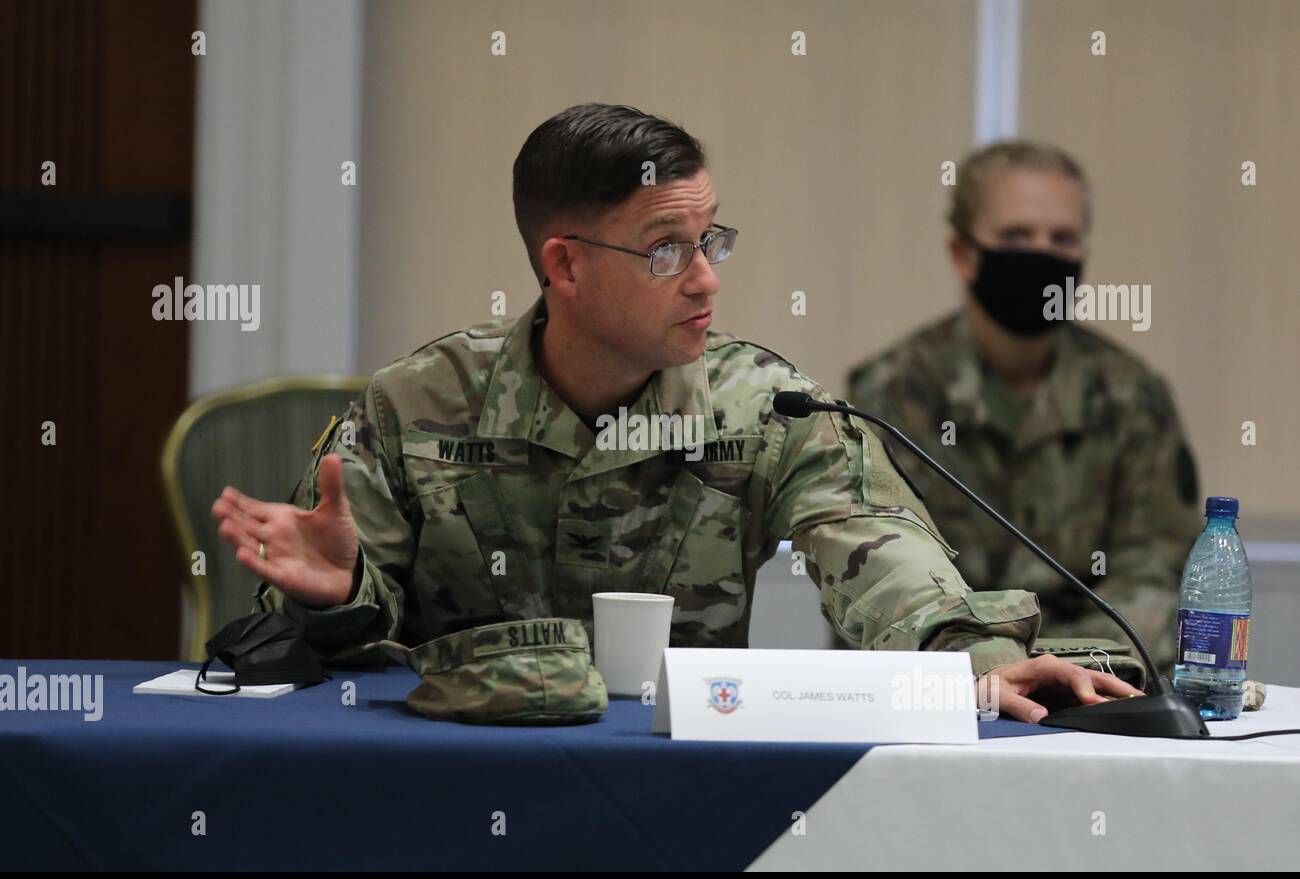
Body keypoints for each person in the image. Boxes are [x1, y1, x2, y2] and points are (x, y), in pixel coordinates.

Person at [212, 105, 1141, 723]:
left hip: (679, 787)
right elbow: (315, 640)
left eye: (711, 240)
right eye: (665, 250)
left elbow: (882, 554)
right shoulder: (417, 404)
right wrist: (331, 593)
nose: (706, 279)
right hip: (446, 788)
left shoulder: (771, 406)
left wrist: (974, 656)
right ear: (565, 265)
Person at [848, 141, 1201, 676]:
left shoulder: (1132, 395)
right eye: (1017, 236)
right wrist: (996, 667)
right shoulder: (893, 394)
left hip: (1102, 687)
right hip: (937, 686)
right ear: (963, 254)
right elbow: (884, 577)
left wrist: (1067, 669)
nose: (1041, 255)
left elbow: (1154, 573)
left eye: (1062, 239)